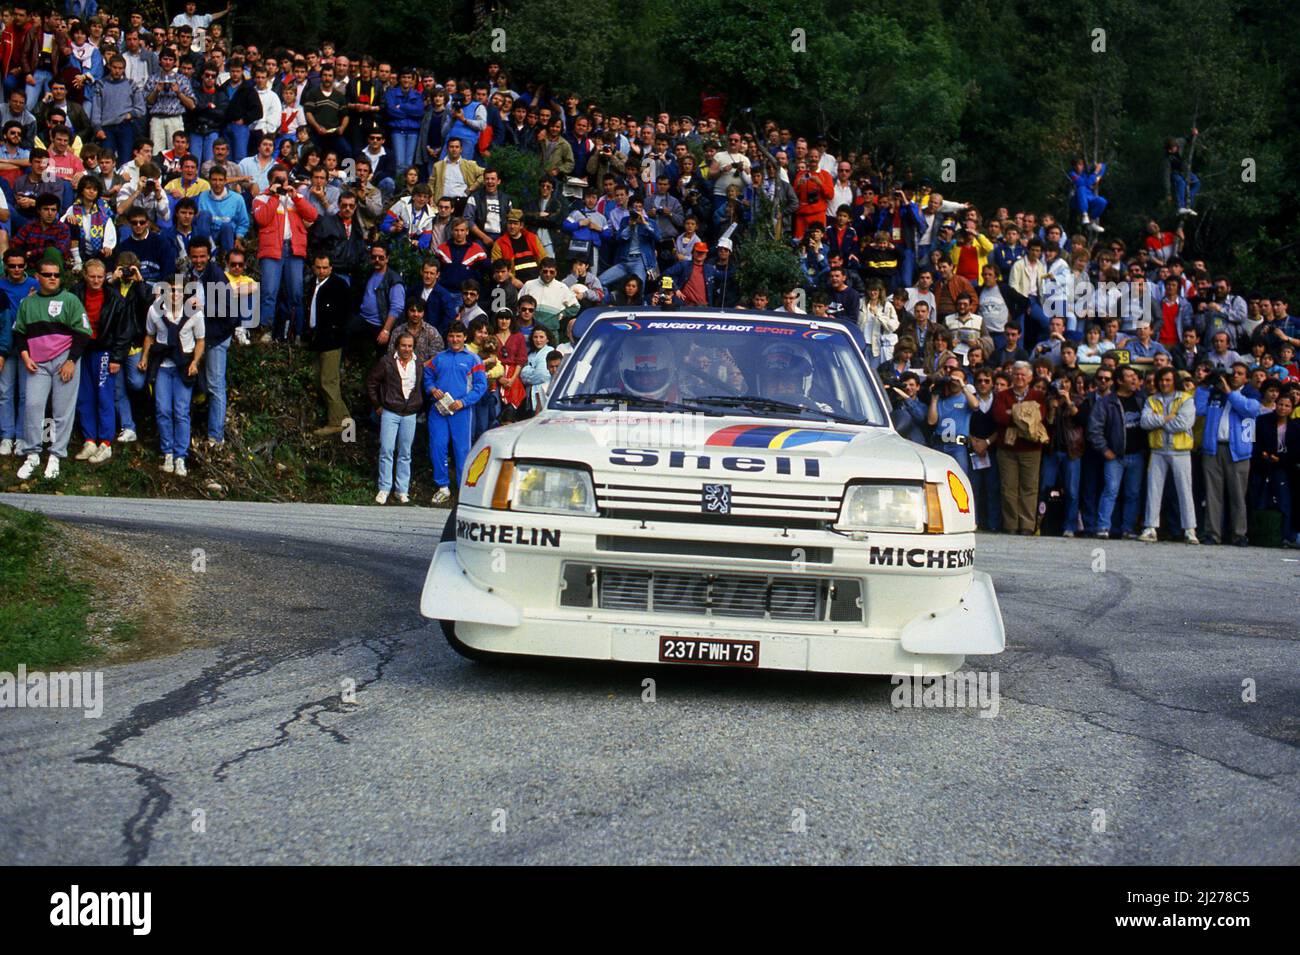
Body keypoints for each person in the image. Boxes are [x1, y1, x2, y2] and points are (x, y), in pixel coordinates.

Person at [13, 259, 90, 480]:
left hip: (64, 358)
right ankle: (33, 454)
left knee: (62, 409)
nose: (53, 278)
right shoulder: (28, 303)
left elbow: (83, 332)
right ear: (37, 277)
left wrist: (71, 361)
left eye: (56, 274)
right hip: (37, 361)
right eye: (48, 275)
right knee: (32, 405)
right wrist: (25, 356)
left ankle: (56, 455)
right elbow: (19, 332)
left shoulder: (70, 300)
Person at [140, 278, 204, 476]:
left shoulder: (194, 313)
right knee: (162, 409)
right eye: (171, 290)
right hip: (163, 364)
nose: (174, 294)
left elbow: (200, 340)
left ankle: (180, 456)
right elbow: (149, 335)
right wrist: (144, 357)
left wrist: (195, 362)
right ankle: (167, 452)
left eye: (178, 290)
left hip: (183, 365)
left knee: (181, 410)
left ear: (184, 293)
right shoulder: (155, 311)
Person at [70, 256, 131, 465]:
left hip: (104, 351)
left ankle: (106, 442)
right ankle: (89, 440)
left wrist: (116, 357)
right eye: (92, 277)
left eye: (99, 277)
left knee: (104, 396)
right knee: (84, 396)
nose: (96, 281)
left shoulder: (114, 299)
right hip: (82, 350)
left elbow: (124, 331)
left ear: (104, 277)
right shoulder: (75, 294)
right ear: (85, 276)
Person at [1197, 362, 1262, 546]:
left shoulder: (1250, 393)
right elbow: (1200, 409)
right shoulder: (1214, 392)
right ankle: (1212, 533)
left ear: (1246, 378)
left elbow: (1251, 410)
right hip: (1213, 448)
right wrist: (1204, 385)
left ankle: (1239, 534)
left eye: (1239, 373)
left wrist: (1229, 393)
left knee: (1237, 495)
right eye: (1232, 373)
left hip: (1238, 452)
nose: (1234, 376)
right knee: (1212, 494)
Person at [423, 320, 487, 505]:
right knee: (437, 447)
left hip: (462, 412)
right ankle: (443, 487)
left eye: (458, 336)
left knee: (462, 450)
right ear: (447, 337)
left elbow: (480, 386)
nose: (455, 339)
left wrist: (464, 402)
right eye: (451, 336)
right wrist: (432, 389)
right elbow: (427, 374)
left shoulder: (473, 359)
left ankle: (464, 489)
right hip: (439, 410)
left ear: (465, 337)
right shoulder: (439, 358)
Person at [252, 166, 317, 342]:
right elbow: (262, 219)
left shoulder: (296, 197)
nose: (282, 182)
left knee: (296, 292)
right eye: (277, 179)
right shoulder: (261, 198)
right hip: (272, 249)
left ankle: (297, 333)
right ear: (270, 181)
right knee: (269, 292)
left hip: (294, 249)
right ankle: (266, 331)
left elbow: (312, 215)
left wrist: (295, 196)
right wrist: (274, 196)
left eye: (284, 179)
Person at [1138, 366, 1198, 543]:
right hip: (1158, 449)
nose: (1164, 383)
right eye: (1162, 380)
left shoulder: (1186, 399)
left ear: (1174, 381)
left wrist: (1158, 422)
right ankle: (1150, 527)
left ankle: (1189, 529)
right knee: (1153, 489)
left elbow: (1184, 423)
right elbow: (1144, 422)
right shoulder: (1152, 399)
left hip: (1180, 450)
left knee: (1185, 490)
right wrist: (1165, 418)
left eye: (1168, 380)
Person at [991, 360, 1048, 534]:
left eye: (1023, 374)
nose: (1019, 377)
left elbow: (1039, 417)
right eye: (1016, 374)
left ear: (1030, 377)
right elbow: (1000, 416)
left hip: (1030, 449)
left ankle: (1027, 525)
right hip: (1007, 449)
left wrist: (1013, 413)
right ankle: (1011, 525)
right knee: (1008, 488)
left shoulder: (1038, 396)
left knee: (1029, 488)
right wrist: (1024, 415)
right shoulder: (1002, 396)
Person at [366, 329, 421, 504]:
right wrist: (377, 406)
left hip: (410, 413)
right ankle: (384, 488)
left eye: (410, 346)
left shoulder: (418, 364)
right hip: (390, 411)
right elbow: (372, 383)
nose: (406, 349)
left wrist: (418, 405)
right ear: (397, 346)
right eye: (403, 345)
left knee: (405, 452)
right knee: (386, 450)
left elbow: (421, 387)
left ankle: (402, 490)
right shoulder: (387, 362)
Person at [1250, 394, 1297, 547]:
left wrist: (1281, 459)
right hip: (1262, 464)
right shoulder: (1263, 421)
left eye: (1287, 406)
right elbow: (1254, 441)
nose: (1283, 408)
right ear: (1275, 405)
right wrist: (1262, 453)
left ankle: (1286, 536)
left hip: (1283, 467)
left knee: (1284, 501)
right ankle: (1258, 534)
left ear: (1291, 408)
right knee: (1259, 499)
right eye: (1280, 404)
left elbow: (1296, 451)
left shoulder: (1296, 426)